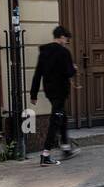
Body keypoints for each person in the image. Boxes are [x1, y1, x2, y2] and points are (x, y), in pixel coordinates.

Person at [30, 25, 80, 166]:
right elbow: (69, 72)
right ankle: (45, 155)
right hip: (60, 91)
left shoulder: (44, 52)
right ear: (62, 37)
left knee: (62, 117)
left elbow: (38, 73)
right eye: (66, 39)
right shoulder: (64, 53)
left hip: (49, 91)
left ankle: (66, 148)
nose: (66, 41)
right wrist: (74, 69)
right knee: (56, 120)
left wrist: (33, 94)